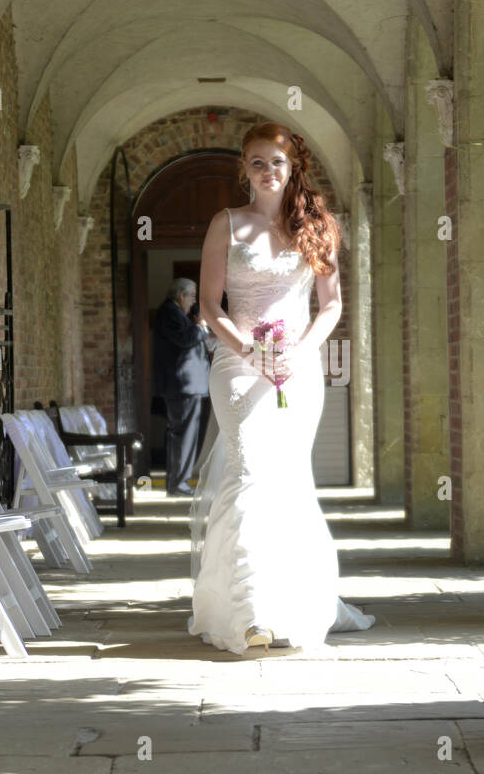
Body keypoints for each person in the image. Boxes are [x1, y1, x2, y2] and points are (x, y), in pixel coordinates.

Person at [188, 122, 376, 654]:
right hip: (236, 362)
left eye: (277, 162)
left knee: (288, 477)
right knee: (247, 471)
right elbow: (209, 306)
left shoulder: (317, 226)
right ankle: (250, 614)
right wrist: (249, 350)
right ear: (242, 168)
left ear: (293, 167)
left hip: (298, 365)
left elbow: (332, 305)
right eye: (257, 162)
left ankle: (293, 603)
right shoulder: (226, 225)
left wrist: (297, 351)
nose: (267, 171)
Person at [152, 278, 211, 496]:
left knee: (184, 434)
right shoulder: (169, 312)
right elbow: (185, 340)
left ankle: (178, 482)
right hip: (182, 386)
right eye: (193, 296)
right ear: (181, 295)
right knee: (184, 435)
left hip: (187, 385)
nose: (194, 300)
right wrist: (199, 326)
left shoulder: (177, 314)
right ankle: (179, 483)